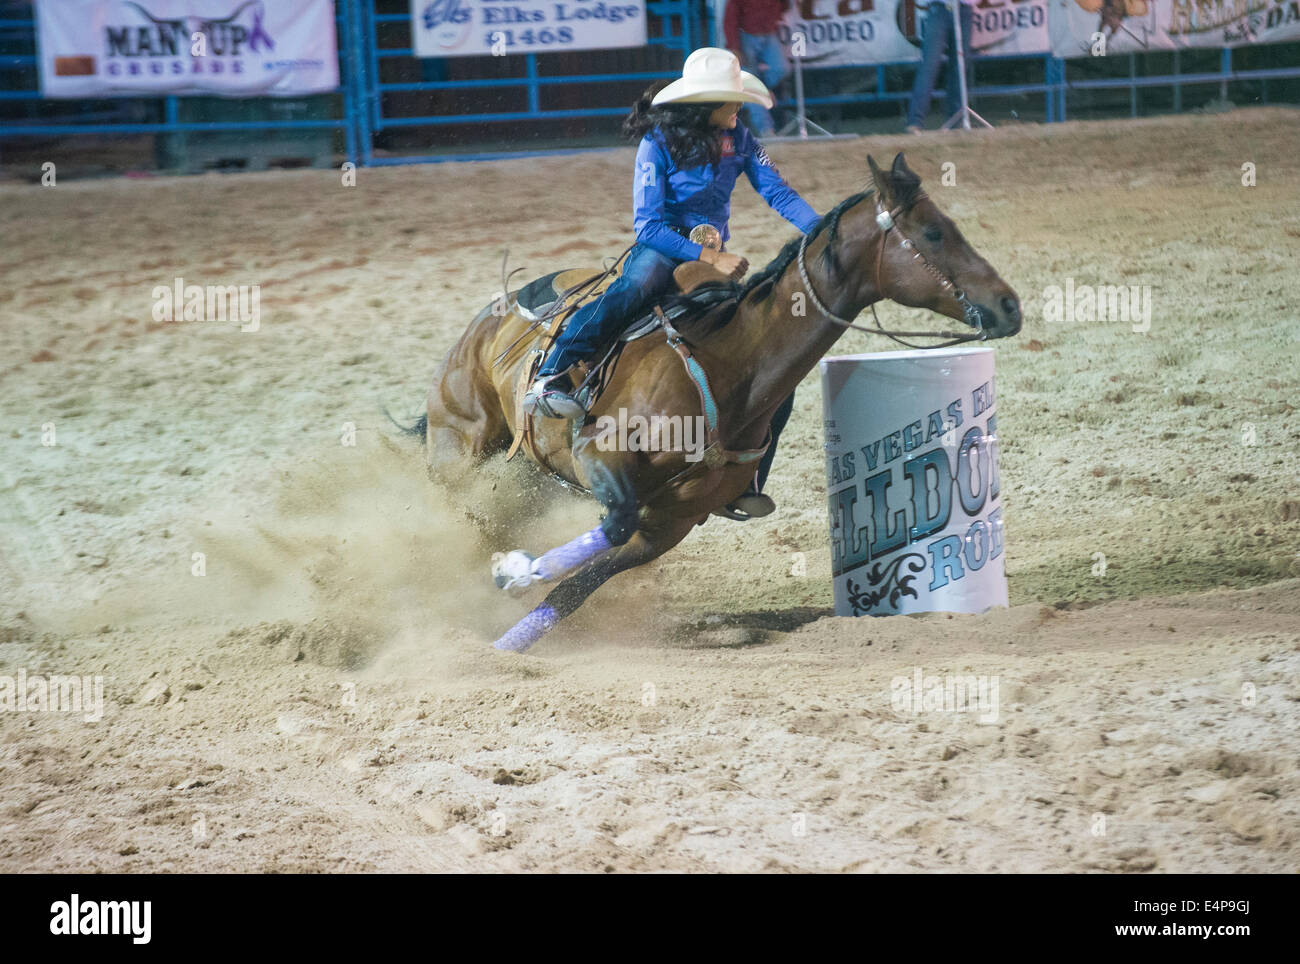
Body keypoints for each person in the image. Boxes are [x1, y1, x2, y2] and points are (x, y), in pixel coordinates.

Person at [523, 47, 820, 519]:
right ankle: (553, 371)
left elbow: (776, 191)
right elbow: (648, 226)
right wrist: (710, 255)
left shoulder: (739, 138)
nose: (739, 109)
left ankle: (747, 478)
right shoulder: (656, 144)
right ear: (707, 107)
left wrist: (822, 231)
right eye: (732, 101)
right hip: (666, 248)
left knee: (765, 361)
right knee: (633, 289)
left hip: (713, 259)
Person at [905, 0, 976, 134]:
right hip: (940, 8)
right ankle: (915, 121)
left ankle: (956, 120)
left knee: (959, 68)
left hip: (965, 9)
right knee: (929, 66)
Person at [722, 0, 790, 136]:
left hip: (765, 32)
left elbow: (784, 5)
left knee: (781, 69)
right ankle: (766, 130)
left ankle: (759, 92)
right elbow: (730, 19)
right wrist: (734, 47)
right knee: (752, 85)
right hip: (746, 35)